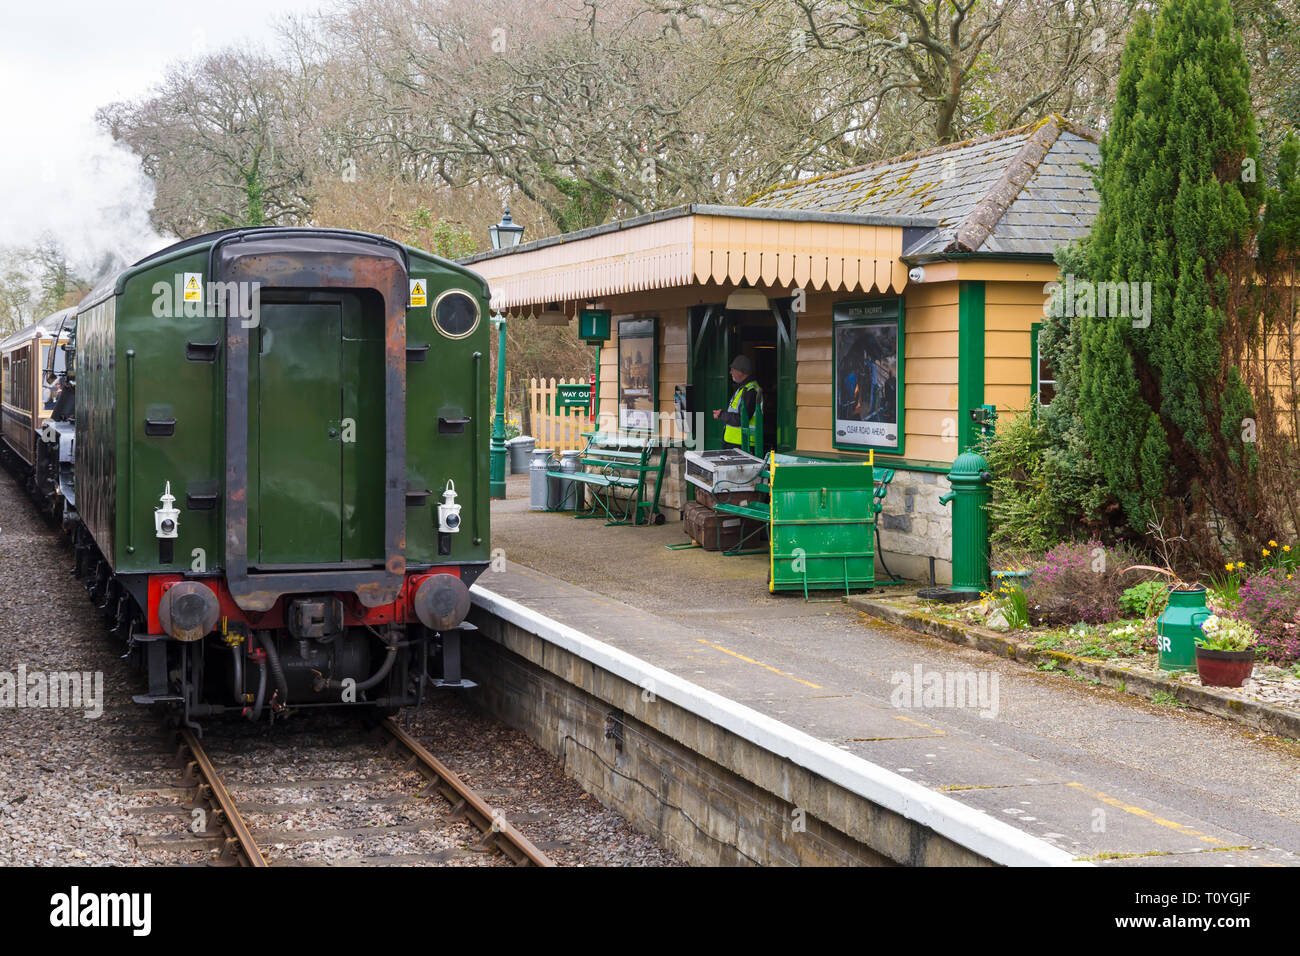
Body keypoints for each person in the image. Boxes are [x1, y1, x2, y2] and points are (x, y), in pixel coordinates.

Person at [713, 354, 763, 452]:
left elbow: (742, 419)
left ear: (741, 371)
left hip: (742, 444)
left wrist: (722, 415)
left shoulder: (750, 390)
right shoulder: (743, 388)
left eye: (733, 369)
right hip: (736, 443)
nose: (730, 372)